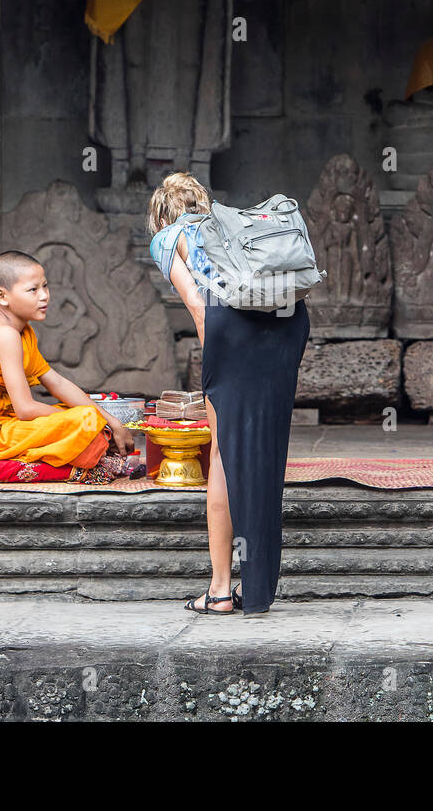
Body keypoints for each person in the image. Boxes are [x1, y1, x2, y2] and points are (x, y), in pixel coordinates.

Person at [148, 172, 310, 616]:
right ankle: (257, 586)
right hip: (286, 326)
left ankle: (220, 589)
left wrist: (213, 372)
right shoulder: (229, 227)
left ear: (160, 213)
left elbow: (200, 310)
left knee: (221, 456)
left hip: (232, 335)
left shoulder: (168, 237)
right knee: (264, 455)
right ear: (203, 202)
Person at [0, 250, 136, 468]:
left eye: (45, 286)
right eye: (33, 289)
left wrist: (111, 421)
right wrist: (88, 420)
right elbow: (25, 409)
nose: (44, 296)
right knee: (84, 423)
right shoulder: (5, 335)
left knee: (84, 419)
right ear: (2, 296)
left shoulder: (21, 332)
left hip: (0, 420)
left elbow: (57, 382)